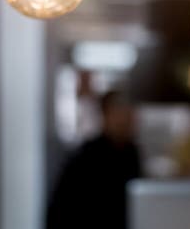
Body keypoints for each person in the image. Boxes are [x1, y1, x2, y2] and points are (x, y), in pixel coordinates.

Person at [47, 90, 141, 229]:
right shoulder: (87, 156)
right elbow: (62, 206)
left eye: (130, 114)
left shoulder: (131, 152)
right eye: (120, 113)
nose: (126, 120)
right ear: (106, 115)